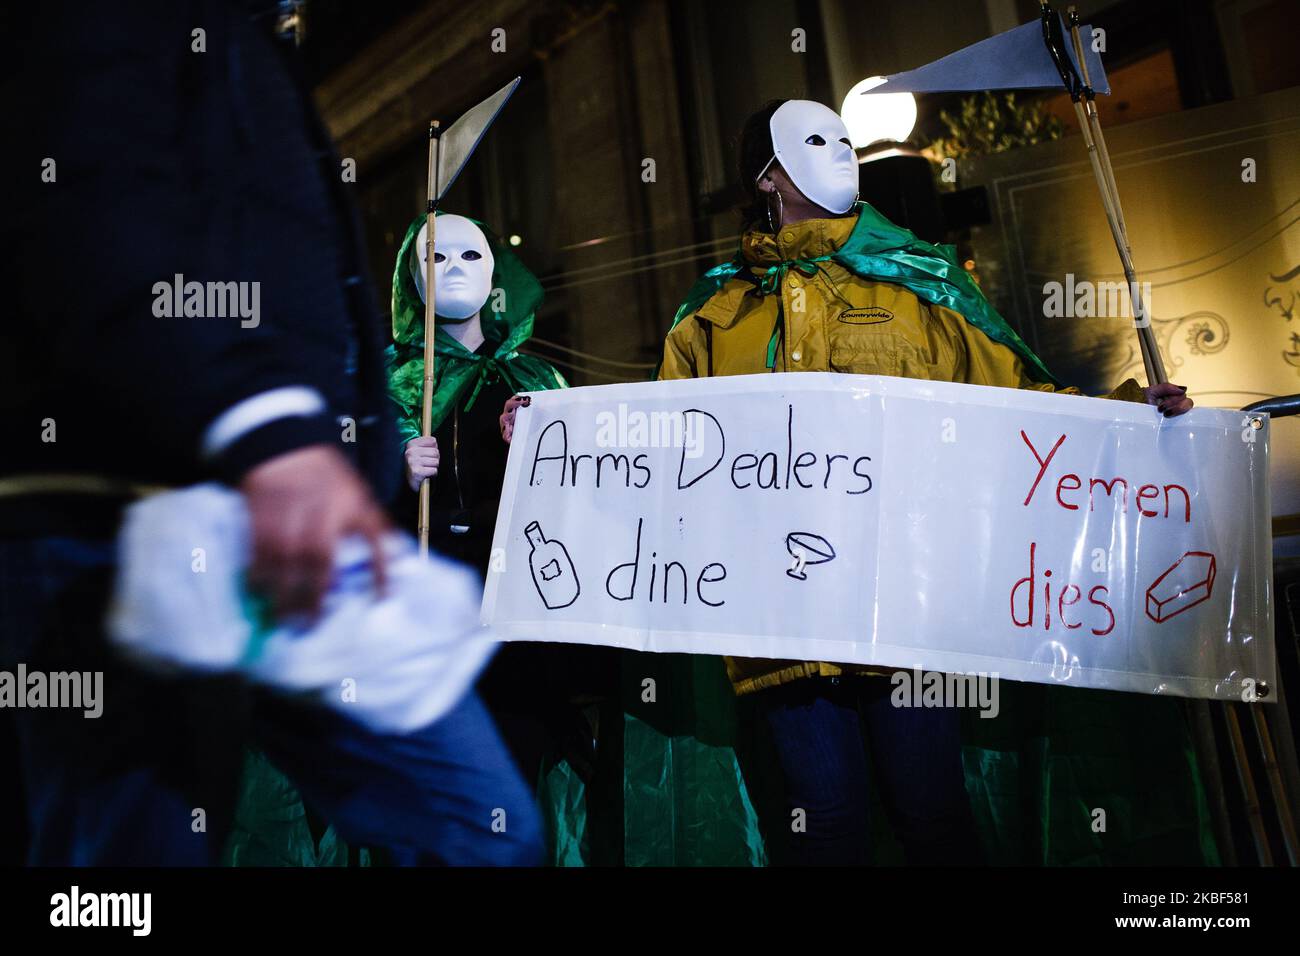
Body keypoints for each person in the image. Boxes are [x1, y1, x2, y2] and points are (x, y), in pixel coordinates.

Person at [0, 1, 540, 866]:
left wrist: (345, 455)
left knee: (480, 826)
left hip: (295, 527)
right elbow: (89, 193)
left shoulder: (254, 43)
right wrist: (263, 428)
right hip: (120, 515)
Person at [649, 98, 1193, 865]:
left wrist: (1129, 414)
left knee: (932, 815)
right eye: (814, 139)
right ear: (765, 175)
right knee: (822, 825)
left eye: (844, 136)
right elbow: (659, 453)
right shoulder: (709, 317)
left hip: (902, 607)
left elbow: (1014, 404)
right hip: (780, 624)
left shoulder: (917, 285)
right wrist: (543, 434)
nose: (840, 149)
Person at [387, 212, 617, 851]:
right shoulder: (389, 381)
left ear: (494, 272)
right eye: (436, 258)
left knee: (522, 776)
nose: (454, 269)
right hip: (431, 623)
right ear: (412, 277)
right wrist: (394, 469)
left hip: (521, 620)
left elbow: (585, 495)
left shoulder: (537, 380)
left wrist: (544, 438)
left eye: (469, 255)